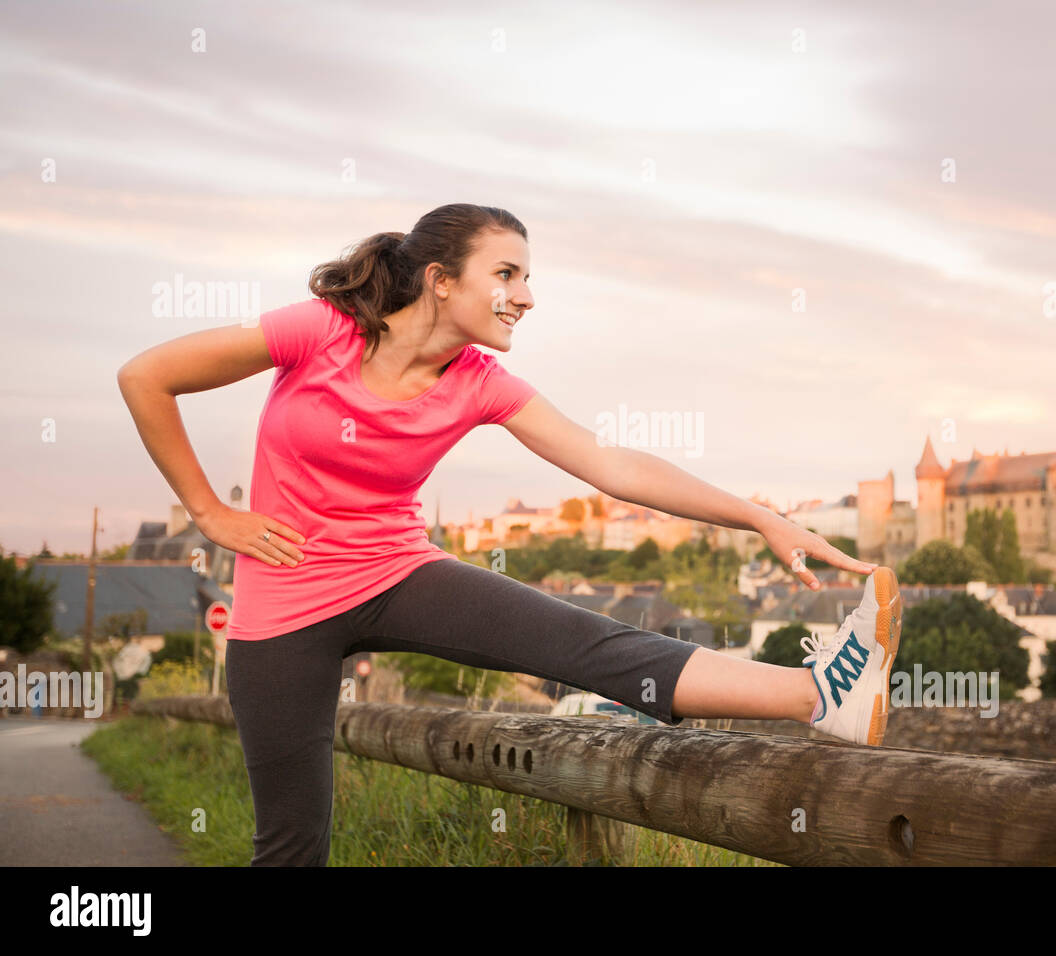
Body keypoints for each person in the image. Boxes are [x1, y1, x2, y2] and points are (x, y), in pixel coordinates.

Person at [116, 203, 902, 866]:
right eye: (507, 274)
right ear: (440, 280)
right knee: (292, 843)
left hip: (395, 573)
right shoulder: (319, 331)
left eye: (528, 279)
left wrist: (761, 515)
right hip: (282, 602)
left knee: (588, 645)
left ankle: (819, 695)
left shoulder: (481, 384)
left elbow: (610, 463)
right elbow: (147, 375)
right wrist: (209, 513)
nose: (525, 296)